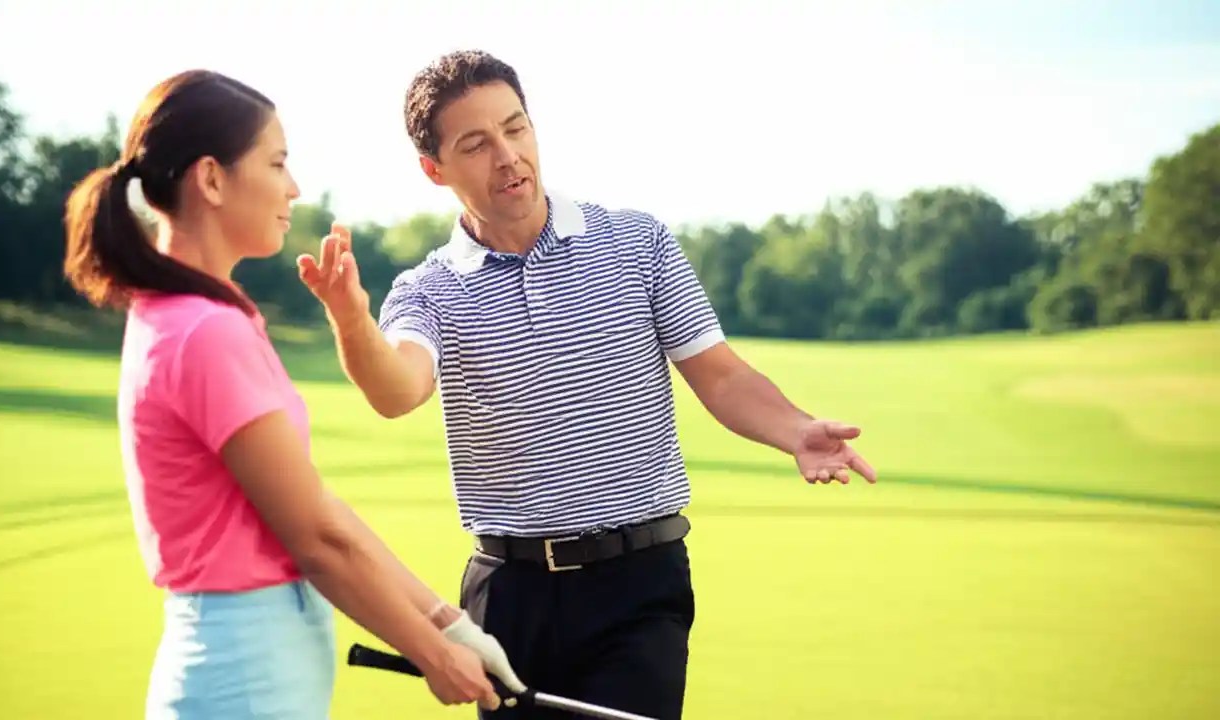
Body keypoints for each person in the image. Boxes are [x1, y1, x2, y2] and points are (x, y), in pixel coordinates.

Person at [298, 51, 877, 719]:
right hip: (507, 595)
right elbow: (397, 388)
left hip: (639, 585)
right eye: (477, 144)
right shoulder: (429, 291)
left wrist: (796, 430)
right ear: (435, 169)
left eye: (516, 129)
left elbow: (720, 377)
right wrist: (350, 319)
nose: (508, 155)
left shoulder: (638, 242)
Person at [61, 69, 527, 719]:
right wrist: (432, 650)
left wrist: (447, 622)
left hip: (254, 668)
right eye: (277, 163)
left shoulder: (197, 317)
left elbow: (321, 513)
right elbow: (315, 539)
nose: (294, 187)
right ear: (213, 178)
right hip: (245, 674)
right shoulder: (203, 332)